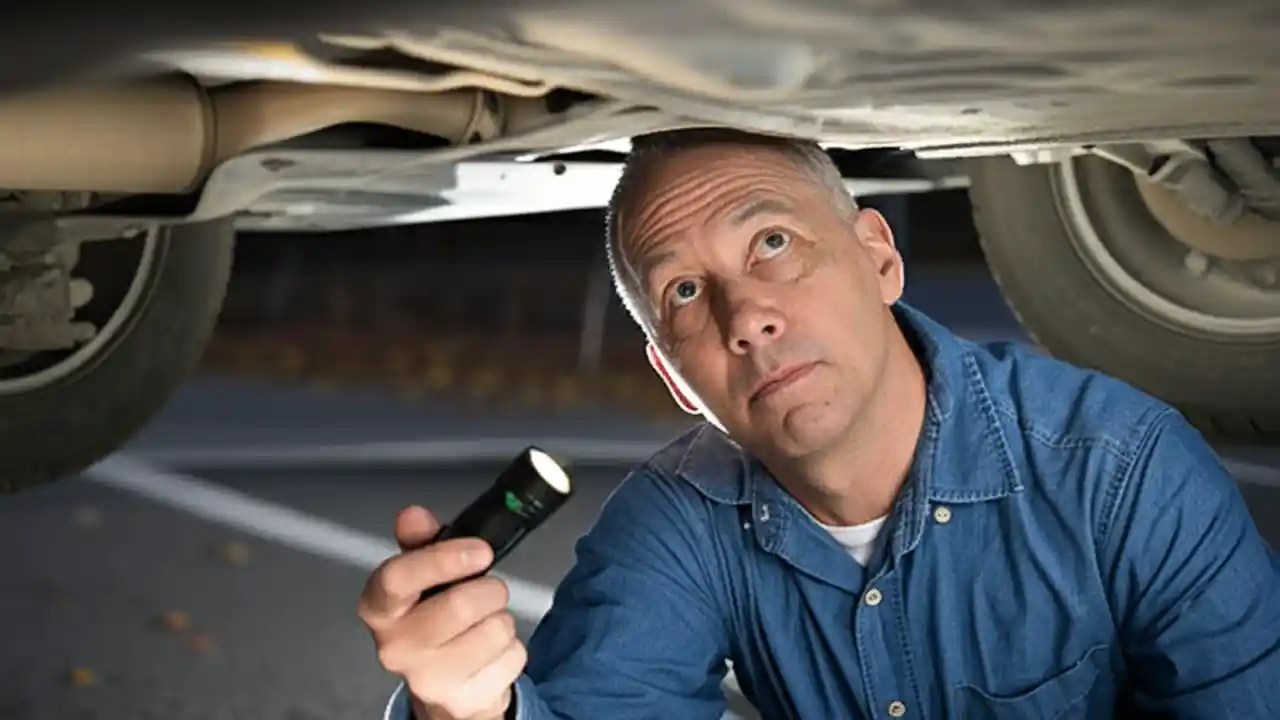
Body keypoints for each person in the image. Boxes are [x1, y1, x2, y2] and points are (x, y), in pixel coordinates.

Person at [358, 128, 1280, 720]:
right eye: (684, 291)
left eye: (772, 243)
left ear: (879, 259)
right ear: (676, 379)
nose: (744, 315)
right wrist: (469, 711)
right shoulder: (677, 524)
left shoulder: (1123, 470)